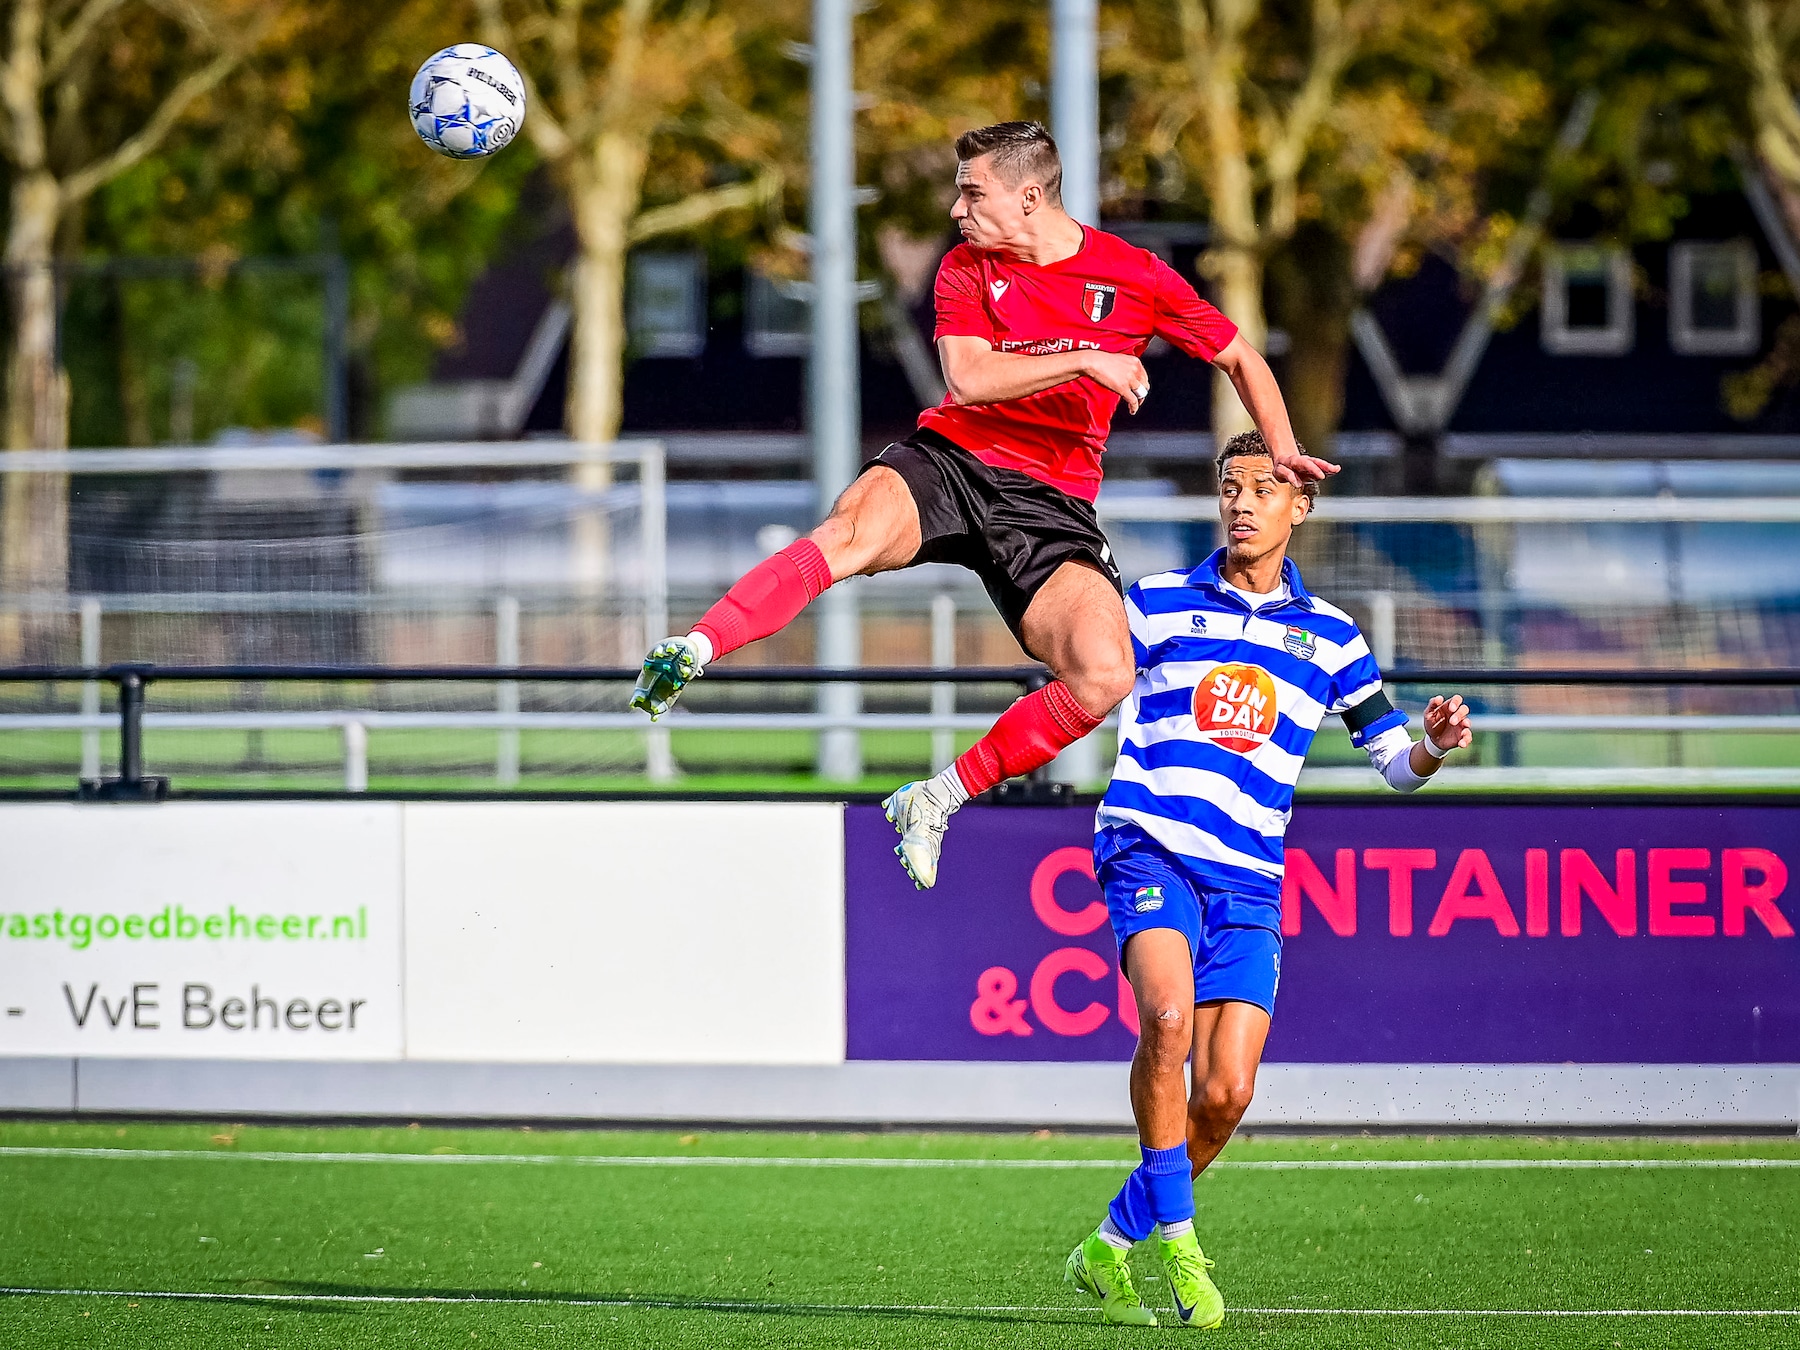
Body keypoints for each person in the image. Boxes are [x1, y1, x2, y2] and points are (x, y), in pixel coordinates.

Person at [630, 120, 1333, 887]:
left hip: (1052, 503)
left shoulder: (1133, 275)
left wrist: (1283, 444)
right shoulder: (964, 268)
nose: (956, 209)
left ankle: (935, 800)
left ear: (1029, 196)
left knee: (1104, 674)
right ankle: (695, 649)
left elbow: (1238, 354)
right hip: (953, 460)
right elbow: (969, 378)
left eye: (972, 191)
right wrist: (1088, 354)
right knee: (846, 533)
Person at [1062, 430, 1472, 1328]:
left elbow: (1394, 763)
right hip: (1151, 845)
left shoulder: (1332, 637)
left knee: (1227, 1093)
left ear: (1301, 506)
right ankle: (1181, 1241)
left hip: (1249, 882)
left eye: (1261, 487)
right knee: (1166, 1019)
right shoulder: (1158, 602)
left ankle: (1107, 1247)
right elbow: (1080, 676)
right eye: (1230, 485)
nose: (1242, 501)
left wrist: (1434, 746)